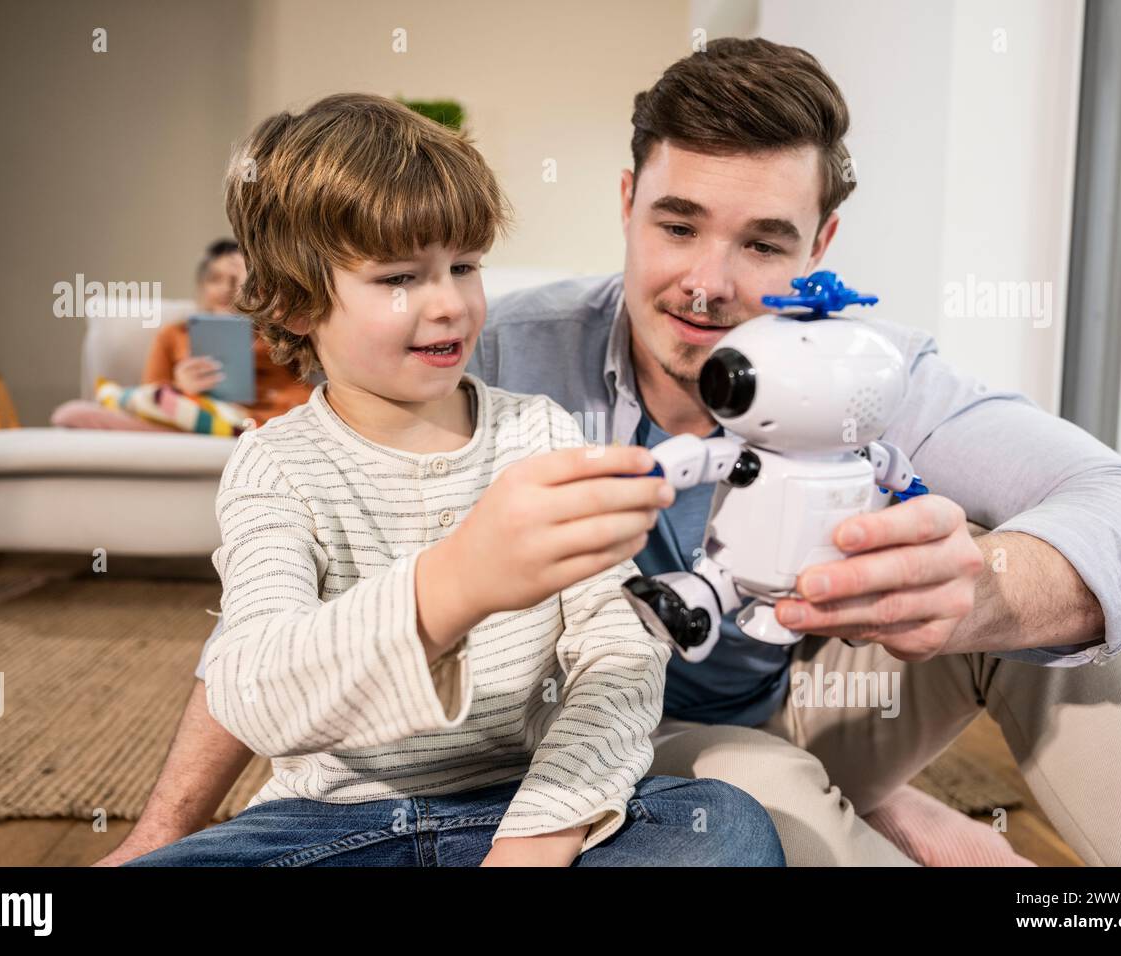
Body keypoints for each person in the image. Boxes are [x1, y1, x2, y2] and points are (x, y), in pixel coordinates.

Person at [99, 39, 1121, 868]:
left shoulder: (869, 373)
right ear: (626, 206)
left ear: (819, 247)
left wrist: (990, 596)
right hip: (620, 727)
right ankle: (860, 817)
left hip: (801, 687)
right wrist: (162, 829)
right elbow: (264, 624)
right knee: (751, 790)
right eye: (678, 225)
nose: (708, 282)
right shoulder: (496, 365)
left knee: (1063, 610)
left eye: (763, 241)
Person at [122, 93, 783, 867]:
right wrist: (453, 584)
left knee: (726, 828)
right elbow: (255, 692)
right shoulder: (274, 465)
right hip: (324, 827)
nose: (449, 304)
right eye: (400, 276)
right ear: (299, 303)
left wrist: (544, 828)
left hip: (517, 803)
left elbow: (623, 652)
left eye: (464, 266)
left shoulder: (539, 433)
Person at [51, 239, 313, 432]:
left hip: (268, 420)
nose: (226, 288)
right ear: (201, 287)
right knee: (74, 413)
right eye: (215, 279)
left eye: (237, 280)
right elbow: (150, 399)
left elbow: (308, 384)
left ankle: (242, 428)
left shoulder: (278, 329)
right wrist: (180, 388)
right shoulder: (174, 335)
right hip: (195, 418)